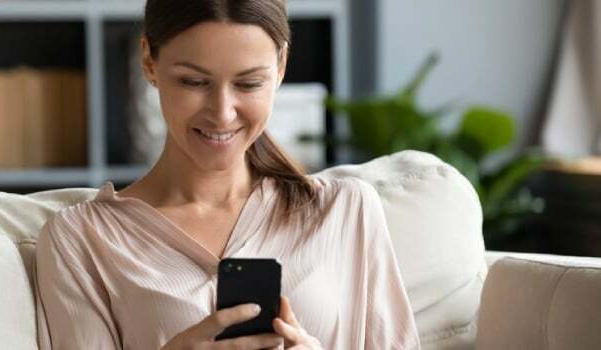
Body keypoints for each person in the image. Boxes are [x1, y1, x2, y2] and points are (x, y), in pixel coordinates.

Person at [34, 0, 420, 348]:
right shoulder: (82, 240)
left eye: (248, 83)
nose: (222, 113)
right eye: (194, 81)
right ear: (149, 60)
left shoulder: (346, 212)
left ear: (281, 66)